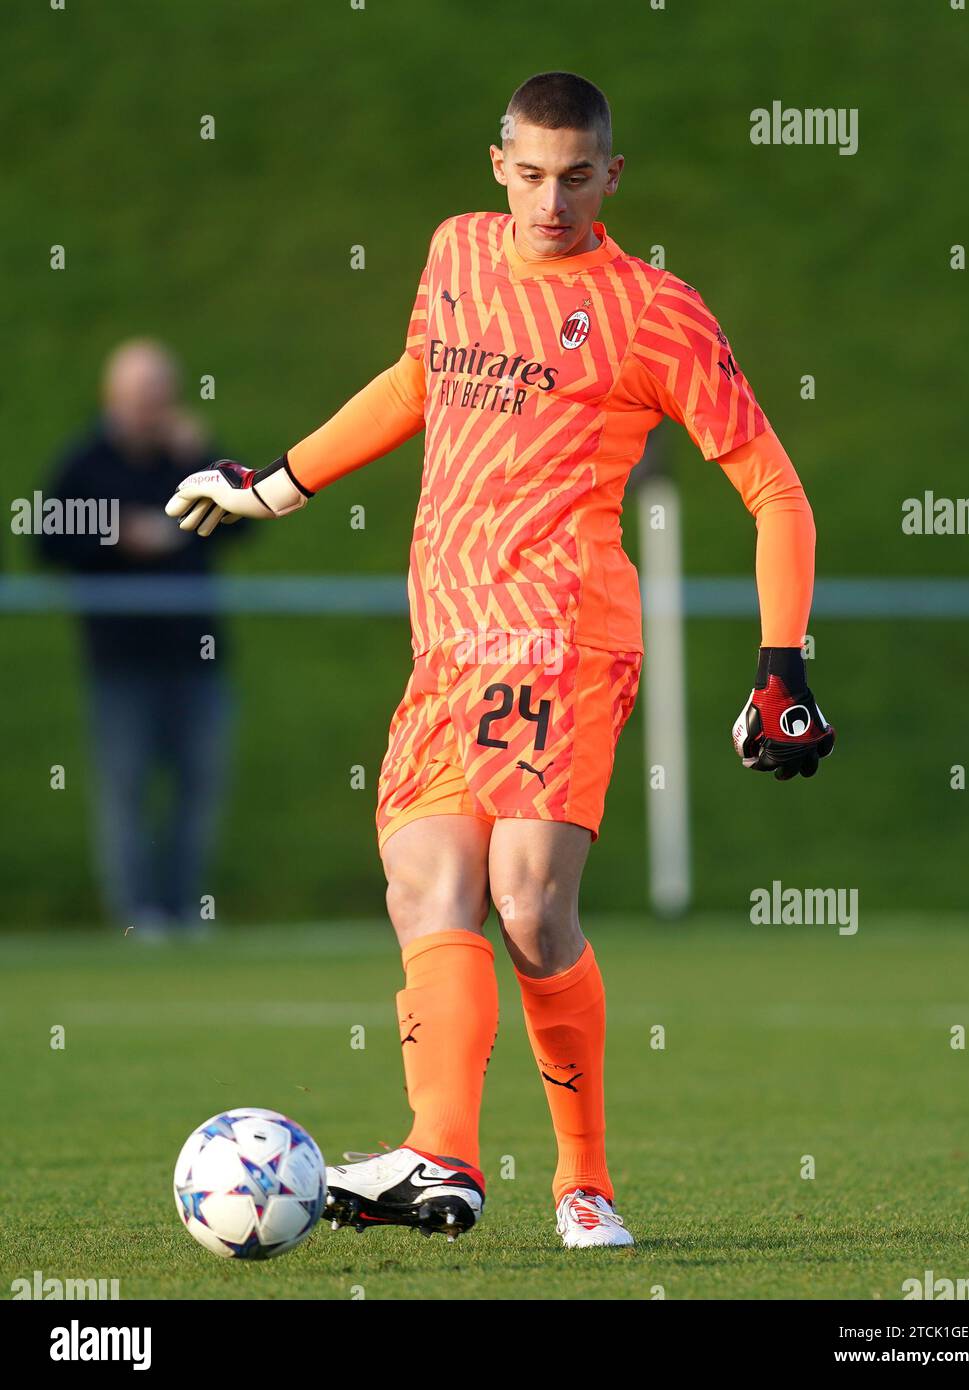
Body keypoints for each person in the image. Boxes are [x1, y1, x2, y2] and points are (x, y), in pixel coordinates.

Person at [165, 73, 835, 1247]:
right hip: (449, 641)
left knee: (525, 906)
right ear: (496, 165)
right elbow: (420, 378)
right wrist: (276, 482)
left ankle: (584, 1181)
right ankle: (445, 1156)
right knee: (427, 887)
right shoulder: (456, 253)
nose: (550, 200)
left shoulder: (651, 311)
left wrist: (780, 661)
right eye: (529, 172)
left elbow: (773, 490)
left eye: (576, 175)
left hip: (562, 634)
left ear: (611, 177)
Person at [40, 339, 240, 938]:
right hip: (120, 658)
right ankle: (137, 917)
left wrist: (205, 456)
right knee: (124, 791)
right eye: (136, 397)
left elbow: (244, 521)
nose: (148, 409)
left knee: (197, 789)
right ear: (113, 399)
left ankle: (184, 908)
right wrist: (117, 532)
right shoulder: (86, 462)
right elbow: (48, 534)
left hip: (196, 654)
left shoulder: (189, 459)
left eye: (157, 397)